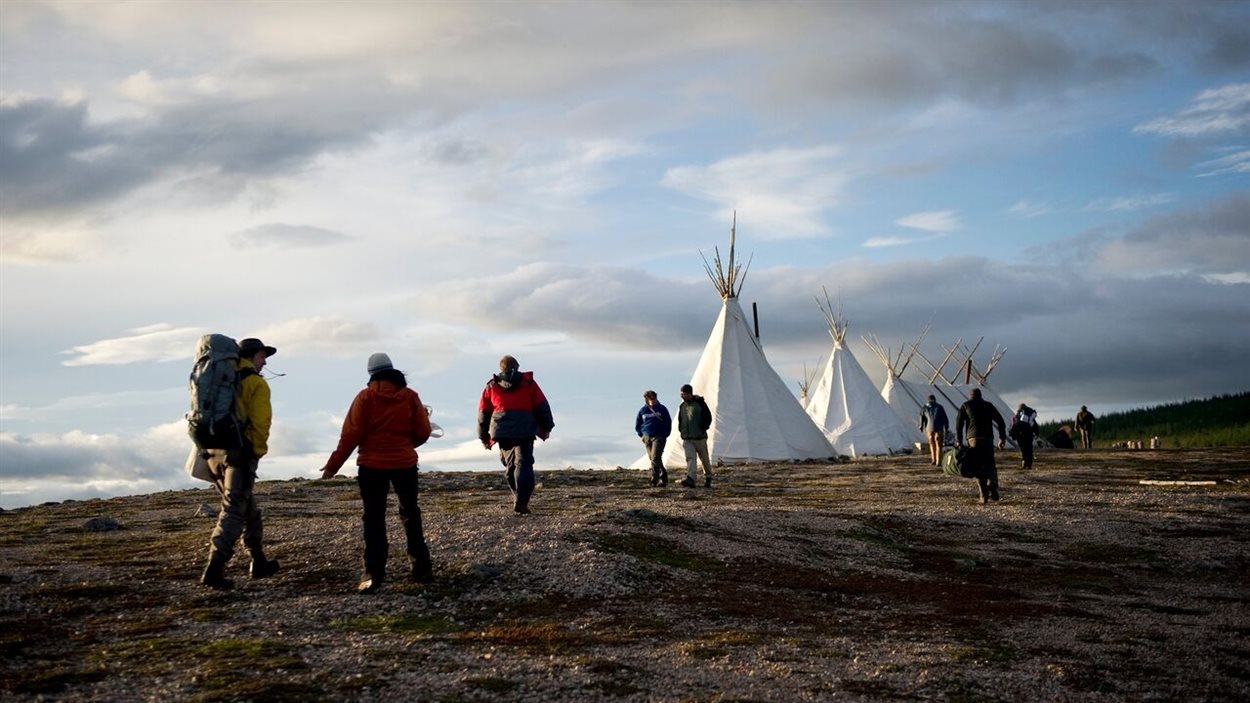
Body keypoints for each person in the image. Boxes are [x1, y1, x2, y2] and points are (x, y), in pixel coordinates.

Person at [320, 353, 434, 594]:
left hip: (371, 466)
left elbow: (350, 435)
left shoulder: (365, 397)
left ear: (371, 373)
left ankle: (373, 572)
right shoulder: (410, 397)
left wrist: (333, 466)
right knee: (410, 512)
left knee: (373, 517)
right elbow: (424, 431)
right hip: (405, 463)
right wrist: (405, 446)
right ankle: (421, 568)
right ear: (392, 370)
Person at [200, 337, 281, 590]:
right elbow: (261, 424)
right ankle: (213, 569)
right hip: (239, 455)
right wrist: (256, 452)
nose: (264, 361)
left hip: (213, 455)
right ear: (250, 356)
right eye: (261, 356)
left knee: (249, 510)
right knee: (234, 510)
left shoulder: (220, 380)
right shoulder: (255, 384)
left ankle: (258, 561)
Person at [478, 355, 554, 514]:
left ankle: (519, 498)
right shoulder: (529, 384)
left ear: (501, 368)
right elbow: (542, 406)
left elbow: (483, 414)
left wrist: (484, 437)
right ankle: (521, 500)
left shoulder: (491, 387)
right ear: (517, 367)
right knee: (523, 464)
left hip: (502, 432)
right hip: (525, 429)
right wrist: (547, 427)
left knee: (511, 465)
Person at [955, 388, 1008, 504]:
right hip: (987, 438)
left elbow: (959, 425)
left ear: (970, 396)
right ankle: (993, 484)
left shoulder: (965, 405)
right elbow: (1000, 421)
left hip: (973, 439)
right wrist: (1002, 438)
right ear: (981, 395)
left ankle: (983, 496)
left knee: (977, 466)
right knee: (990, 463)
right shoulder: (988, 405)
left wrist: (959, 441)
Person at [677, 384, 714, 488]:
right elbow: (680, 420)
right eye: (681, 394)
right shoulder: (682, 406)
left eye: (683, 394)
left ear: (689, 393)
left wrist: (703, 427)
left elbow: (708, 417)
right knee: (690, 458)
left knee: (704, 459)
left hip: (699, 437)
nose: (682, 396)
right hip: (687, 437)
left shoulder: (700, 403)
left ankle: (708, 476)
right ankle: (691, 478)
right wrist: (681, 431)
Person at [635, 390, 672, 487]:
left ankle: (654, 479)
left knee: (655, 456)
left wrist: (665, 434)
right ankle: (663, 476)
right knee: (653, 458)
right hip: (647, 436)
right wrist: (642, 435)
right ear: (646, 399)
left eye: (653, 398)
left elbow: (668, 422)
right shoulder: (642, 410)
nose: (652, 400)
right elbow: (638, 424)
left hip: (659, 436)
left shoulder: (662, 409)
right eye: (649, 398)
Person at [918, 395, 949, 466]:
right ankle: (938, 461)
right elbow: (945, 418)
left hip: (929, 428)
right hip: (938, 428)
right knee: (938, 445)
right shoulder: (939, 407)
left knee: (932, 444)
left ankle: (933, 460)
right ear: (935, 399)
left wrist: (921, 426)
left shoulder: (924, 408)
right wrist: (946, 427)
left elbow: (921, 418)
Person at [1010, 402, 1040, 469]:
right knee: (1029, 449)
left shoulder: (1016, 416)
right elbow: (1035, 425)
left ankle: (1024, 462)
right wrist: (1037, 433)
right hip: (1029, 435)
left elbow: (1014, 426)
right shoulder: (1030, 416)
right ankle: (1029, 464)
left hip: (1020, 435)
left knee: (1023, 449)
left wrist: (1013, 434)